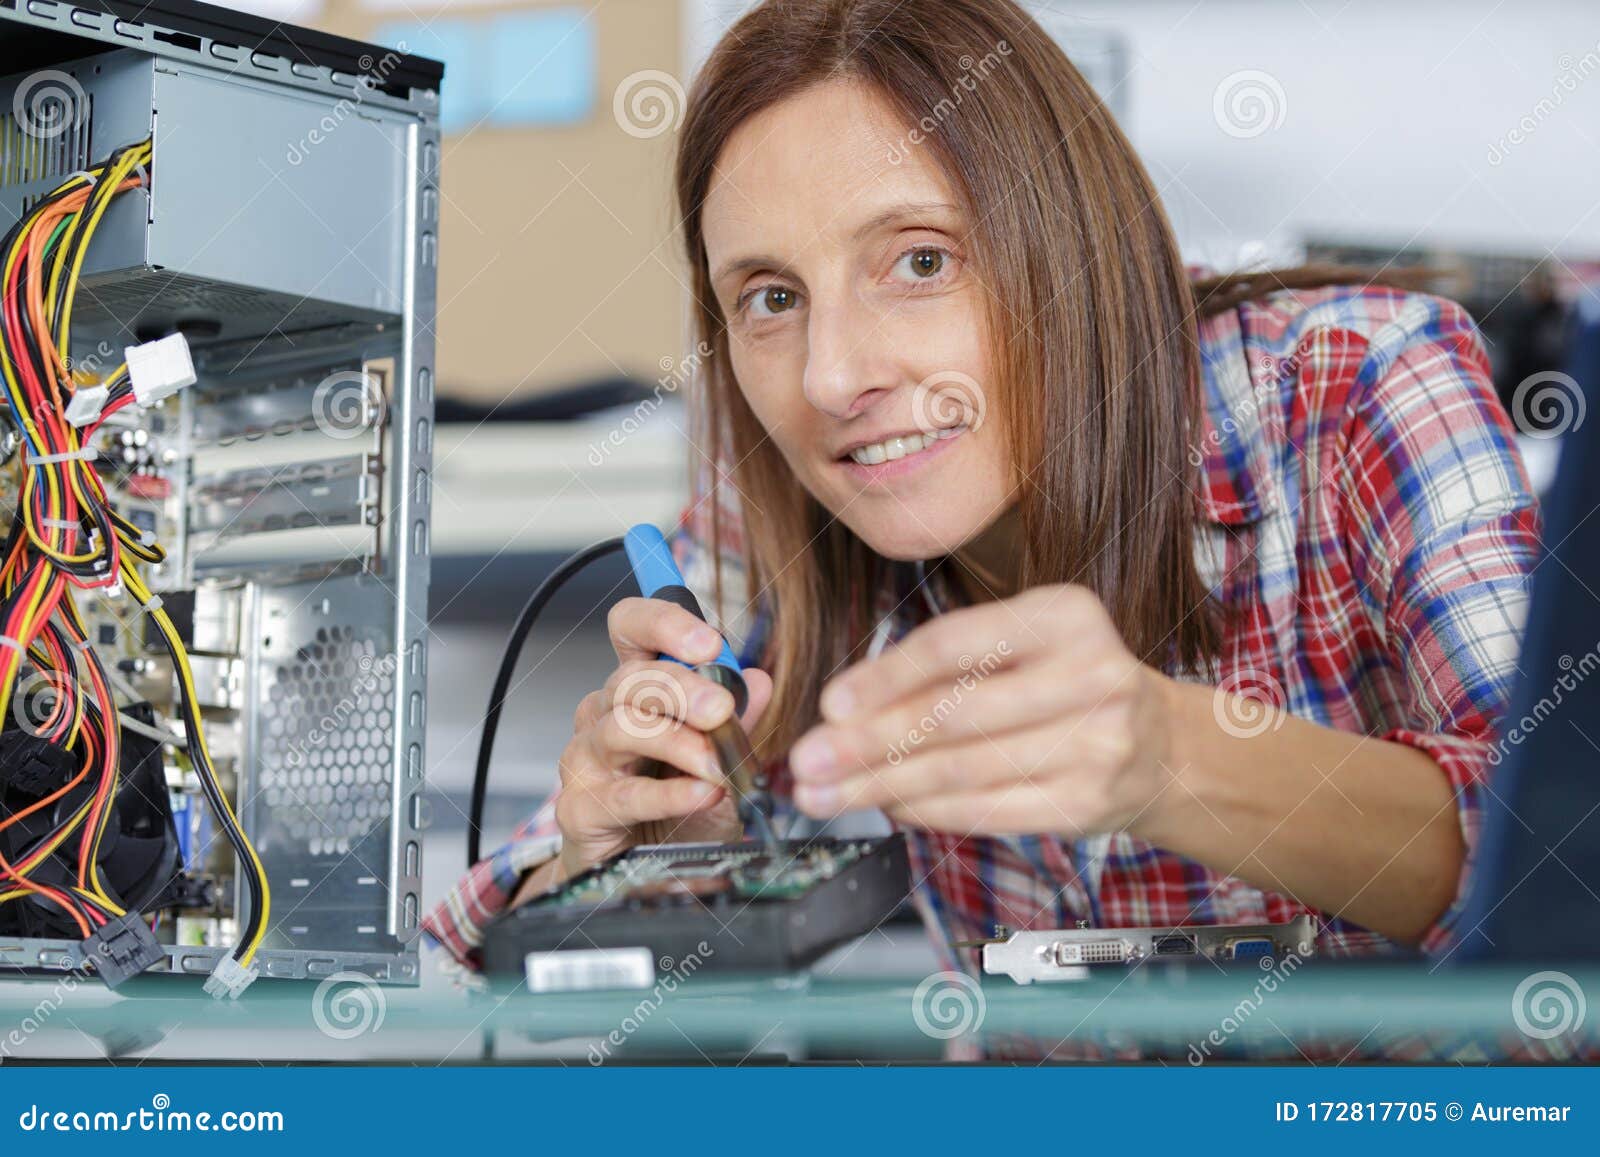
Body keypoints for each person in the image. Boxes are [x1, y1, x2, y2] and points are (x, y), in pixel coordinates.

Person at [424, 0, 1540, 995]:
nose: (830, 379)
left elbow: (1555, 858)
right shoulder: (772, 483)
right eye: (770, 296)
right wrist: (633, 855)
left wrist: (1173, 755)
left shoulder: (1357, 379)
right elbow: (470, 936)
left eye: (918, 262)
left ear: (1069, 241)